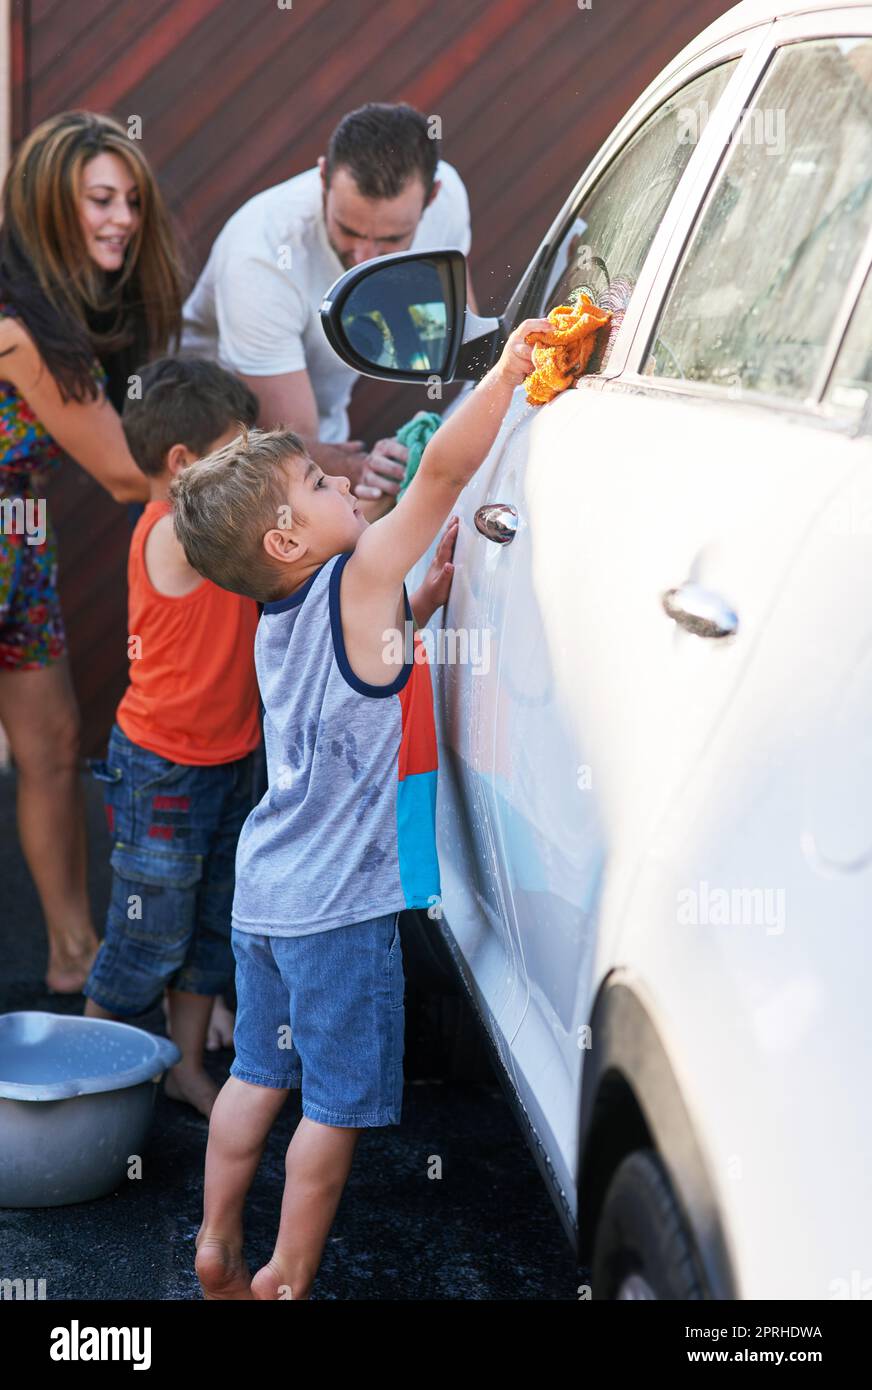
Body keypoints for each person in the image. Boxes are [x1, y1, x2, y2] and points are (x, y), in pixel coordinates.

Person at [167, 313, 552, 1298]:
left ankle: (215, 1240)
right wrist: (506, 371)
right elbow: (442, 475)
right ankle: (288, 1274)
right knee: (333, 1107)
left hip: (266, 894)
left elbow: (346, 677)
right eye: (319, 484)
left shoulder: (279, 615)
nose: (343, 487)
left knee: (257, 1076)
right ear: (288, 537)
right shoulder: (360, 574)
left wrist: (418, 608)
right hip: (337, 912)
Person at [0, 111, 184, 994]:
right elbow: (122, 473)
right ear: (49, 207)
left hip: (21, 545)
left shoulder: (66, 317)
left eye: (132, 201)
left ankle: (72, 955)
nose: (123, 219)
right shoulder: (17, 328)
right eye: (100, 200)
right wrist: (266, 487)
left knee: (54, 745)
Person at [82, 358, 264, 1117]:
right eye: (237, 454)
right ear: (184, 463)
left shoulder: (209, 518)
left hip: (230, 758)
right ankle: (85, 1067)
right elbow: (270, 543)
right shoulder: (173, 531)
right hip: (163, 767)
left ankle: (184, 1066)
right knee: (147, 933)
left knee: (209, 930)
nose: (251, 467)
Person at [181, 101, 478, 510]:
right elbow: (291, 449)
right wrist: (374, 469)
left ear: (432, 197)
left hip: (324, 439)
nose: (364, 256)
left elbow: (463, 343)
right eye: (348, 230)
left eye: (392, 239)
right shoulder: (263, 256)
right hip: (214, 471)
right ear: (323, 178)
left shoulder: (449, 200)